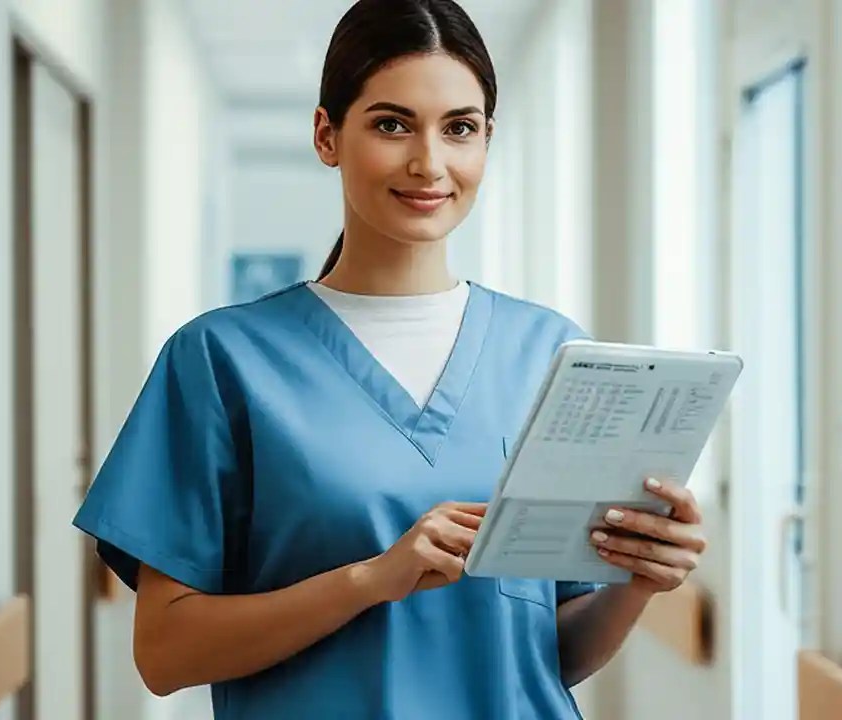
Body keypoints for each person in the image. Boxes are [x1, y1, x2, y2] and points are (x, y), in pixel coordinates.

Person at [73, 0, 707, 717]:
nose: (428, 163)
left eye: (459, 128)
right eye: (391, 124)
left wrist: (638, 586)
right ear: (327, 135)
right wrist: (372, 580)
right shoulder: (222, 360)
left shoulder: (551, 353)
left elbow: (541, 656)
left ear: (486, 142)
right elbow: (164, 654)